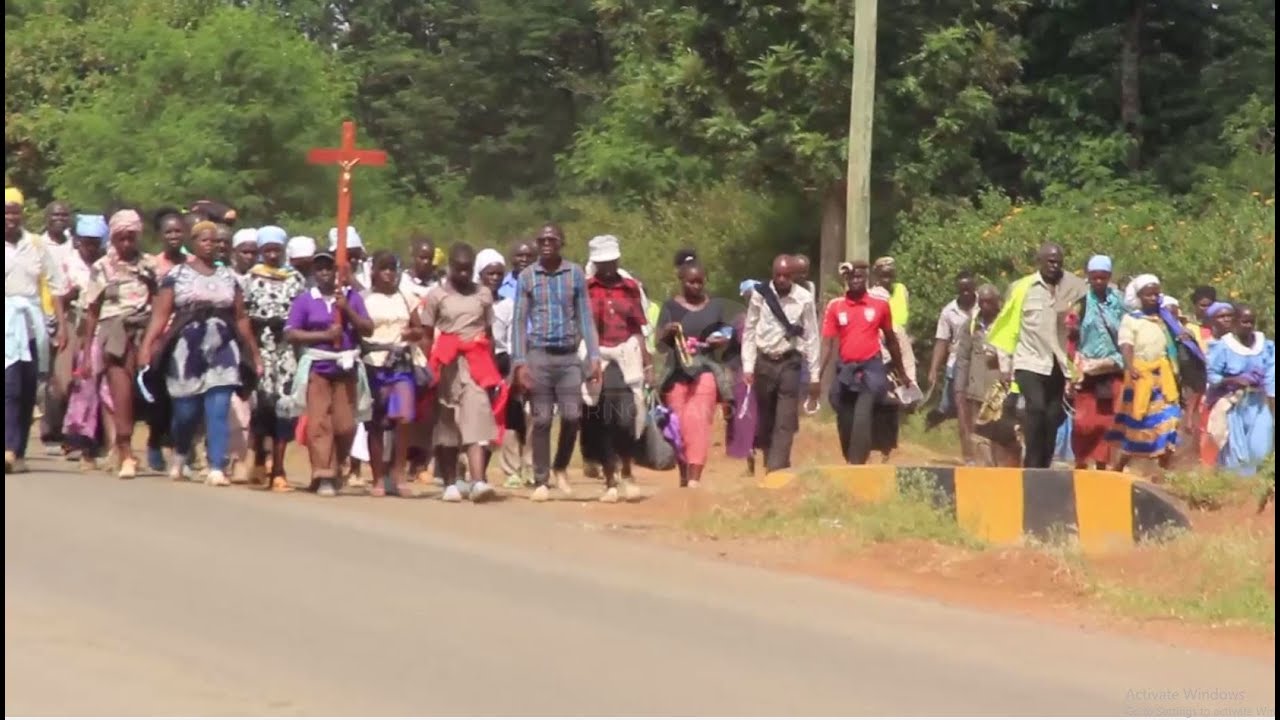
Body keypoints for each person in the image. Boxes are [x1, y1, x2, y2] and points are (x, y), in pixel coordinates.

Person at [138, 221, 261, 486]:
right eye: (205, 240)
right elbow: (161, 315)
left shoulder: (230, 277)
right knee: (186, 411)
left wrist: (254, 355)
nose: (211, 245)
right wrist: (148, 347)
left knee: (218, 406)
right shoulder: (177, 275)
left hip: (222, 348)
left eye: (215, 241)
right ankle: (181, 452)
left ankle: (217, 465)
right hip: (187, 350)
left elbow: (241, 318)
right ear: (193, 243)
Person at [511, 224, 601, 502]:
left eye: (552, 239)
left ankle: (560, 466)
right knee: (541, 419)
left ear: (561, 242)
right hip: (538, 354)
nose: (546, 243)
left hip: (568, 356)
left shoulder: (574, 273)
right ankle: (541, 479)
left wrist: (595, 356)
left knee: (573, 416)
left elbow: (585, 316)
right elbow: (518, 321)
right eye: (542, 239)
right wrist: (519, 361)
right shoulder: (528, 276)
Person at [986, 243, 1087, 468]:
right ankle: (1031, 463)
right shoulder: (1022, 288)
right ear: (1039, 262)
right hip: (1029, 361)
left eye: (1059, 261)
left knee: (1053, 418)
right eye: (1050, 261)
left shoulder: (1074, 287)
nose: (1055, 265)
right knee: (1036, 408)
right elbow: (1010, 325)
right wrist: (1005, 365)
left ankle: (1044, 464)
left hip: (1058, 363)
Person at [283, 250, 372, 496]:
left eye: (328, 268)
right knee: (319, 422)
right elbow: (291, 332)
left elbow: (368, 329)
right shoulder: (305, 300)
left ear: (336, 271)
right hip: (319, 367)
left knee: (345, 426)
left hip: (345, 367)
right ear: (314, 272)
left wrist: (348, 311)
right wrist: (324, 336)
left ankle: (335, 465)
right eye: (319, 269)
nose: (324, 273)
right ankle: (323, 473)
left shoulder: (351, 297)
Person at [78, 210, 159, 478]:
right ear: (113, 237)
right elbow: (92, 311)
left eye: (131, 238)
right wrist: (88, 355)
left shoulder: (149, 265)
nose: (126, 244)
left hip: (145, 329)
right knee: (121, 392)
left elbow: (159, 301)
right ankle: (124, 450)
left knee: (145, 395)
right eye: (121, 238)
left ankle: (157, 447)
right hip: (114, 332)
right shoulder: (102, 267)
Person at [422, 243, 505, 503]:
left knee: (476, 418)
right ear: (449, 267)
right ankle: (449, 482)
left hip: (476, 362)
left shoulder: (483, 295)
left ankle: (478, 481)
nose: (462, 274)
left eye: (467, 270)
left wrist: (492, 371)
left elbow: (489, 334)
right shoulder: (437, 296)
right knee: (448, 423)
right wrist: (431, 364)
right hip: (447, 362)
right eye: (458, 269)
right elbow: (426, 334)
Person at [580, 235, 652, 502]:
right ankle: (610, 478)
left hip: (626, 353)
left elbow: (638, 327)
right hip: (599, 355)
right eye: (603, 262)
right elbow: (583, 327)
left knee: (627, 417)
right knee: (603, 419)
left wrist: (647, 363)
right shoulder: (586, 289)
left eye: (612, 261)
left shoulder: (630, 287)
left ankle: (628, 469)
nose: (608, 267)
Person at [819, 261, 910, 465]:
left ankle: (858, 462)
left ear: (866, 279)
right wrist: (817, 373)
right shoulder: (836, 306)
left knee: (863, 412)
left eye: (859, 277)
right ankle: (851, 455)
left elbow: (891, 340)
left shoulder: (879, 305)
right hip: (846, 369)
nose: (855, 280)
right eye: (851, 277)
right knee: (844, 416)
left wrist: (901, 371)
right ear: (846, 280)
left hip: (871, 368)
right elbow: (827, 343)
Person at [5, 187, 70, 474]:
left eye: (15, 211)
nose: (10, 217)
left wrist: (62, 325)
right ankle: (7, 447)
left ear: (22, 214)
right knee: (10, 388)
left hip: (31, 323)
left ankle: (18, 451)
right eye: (6, 211)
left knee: (30, 388)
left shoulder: (35, 245)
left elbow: (55, 285)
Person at [656, 258, 734, 488]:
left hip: (705, 370)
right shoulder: (670, 307)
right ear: (681, 281)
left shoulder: (716, 307)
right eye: (691, 282)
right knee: (677, 425)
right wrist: (667, 333)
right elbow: (660, 345)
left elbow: (728, 336)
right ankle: (683, 471)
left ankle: (695, 478)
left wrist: (721, 340)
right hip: (676, 373)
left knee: (698, 423)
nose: (696, 286)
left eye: (700, 282)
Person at [740, 255, 820, 473]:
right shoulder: (761, 294)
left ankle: (777, 467)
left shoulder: (803, 298)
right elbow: (749, 329)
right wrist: (748, 365)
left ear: (793, 276)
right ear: (772, 275)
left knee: (785, 416)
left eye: (787, 275)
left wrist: (814, 375)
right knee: (766, 416)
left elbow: (812, 334)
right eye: (778, 275)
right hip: (764, 360)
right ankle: (769, 457)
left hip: (789, 360)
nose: (782, 279)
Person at [361, 251, 429, 497]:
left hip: (400, 362)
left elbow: (419, 329)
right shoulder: (364, 298)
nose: (389, 273)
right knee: (377, 422)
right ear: (374, 272)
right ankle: (378, 476)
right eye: (383, 268)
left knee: (403, 418)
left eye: (392, 268)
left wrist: (411, 334)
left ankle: (399, 473)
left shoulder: (405, 297)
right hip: (374, 362)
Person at [243, 225, 305, 491]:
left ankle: (279, 469)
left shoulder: (296, 279)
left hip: (287, 351)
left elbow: (303, 312)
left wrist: (289, 325)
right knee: (262, 405)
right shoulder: (249, 278)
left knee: (284, 408)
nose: (271, 255)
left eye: (276, 250)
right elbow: (241, 314)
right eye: (266, 250)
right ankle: (259, 458)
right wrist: (255, 325)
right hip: (261, 349)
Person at [1107, 275, 1182, 474]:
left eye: (1156, 293)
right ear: (1139, 296)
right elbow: (1126, 344)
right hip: (1140, 377)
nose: (1153, 298)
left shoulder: (1165, 320)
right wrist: (1131, 367)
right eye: (1148, 294)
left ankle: (1164, 471)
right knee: (1136, 426)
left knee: (1170, 420)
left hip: (1163, 379)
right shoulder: (1131, 319)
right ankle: (1118, 467)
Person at [478, 249, 531, 488]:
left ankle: (511, 469)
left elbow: (511, 341)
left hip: (500, 361)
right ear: (480, 274)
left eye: (499, 274)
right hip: (476, 361)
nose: (495, 278)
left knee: (507, 416)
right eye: (490, 273)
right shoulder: (472, 301)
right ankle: (470, 466)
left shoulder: (508, 305)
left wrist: (511, 372)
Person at [952, 284, 1020, 466]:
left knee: (1001, 432)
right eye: (981, 302)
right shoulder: (972, 324)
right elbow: (963, 358)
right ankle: (984, 469)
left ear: (998, 302)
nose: (985, 306)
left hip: (1000, 388)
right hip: (977, 388)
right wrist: (960, 388)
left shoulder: (1008, 322)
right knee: (979, 432)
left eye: (989, 302)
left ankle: (1003, 467)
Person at [1069, 255, 1125, 470]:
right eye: (1095, 278)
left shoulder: (1120, 303)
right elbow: (1072, 336)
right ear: (1089, 278)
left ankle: (1103, 464)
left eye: (1103, 278)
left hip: (1114, 367)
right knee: (1084, 422)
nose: (1099, 282)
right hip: (1088, 369)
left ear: (1109, 277)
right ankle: (1082, 461)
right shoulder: (1081, 305)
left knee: (1109, 421)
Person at [1205, 305, 1275, 476]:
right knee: (1236, 452)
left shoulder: (1265, 346)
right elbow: (1212, 375)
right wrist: (1233, 379)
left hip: (1258, 403)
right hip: (1233, 404)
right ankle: (1237, 487)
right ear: (1235, 323)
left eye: (1251, 322)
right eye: (1244, 322)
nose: (1248, 326)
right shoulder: (1223, 347)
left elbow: (1271, 376)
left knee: (1261, 446)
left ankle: (1256, 483)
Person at [925, 271, 977, 430]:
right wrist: (933, 369)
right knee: (950, 404)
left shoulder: (985, 304)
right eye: (962, 290)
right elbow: (942, 341)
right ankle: (935, 418)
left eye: (969, 289)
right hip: (957, 361)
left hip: (980, 360)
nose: (966, 293)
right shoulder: (949, 312)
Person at [726, 279, 760, 475]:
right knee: (746, 417)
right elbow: (730, 351)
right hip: (746, 374)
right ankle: (750, 457)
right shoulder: (740, 321)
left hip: (762, 372)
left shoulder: (765, 319)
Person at [1197, 302, 1236, 465]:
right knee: (1213, 434)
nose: (1226, 319)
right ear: (1212, 320)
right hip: (1213, 395)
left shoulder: (1241, 342)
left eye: (1229, 316)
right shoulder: (1205, 343)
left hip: (1239, 397)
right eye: (1221, 316)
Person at [150, 208, 189, 277]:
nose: (173, 236)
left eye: (178, 231)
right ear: (160, 235)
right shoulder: (153, 265)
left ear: (185, 233)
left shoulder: (194, 262)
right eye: (168, 232)